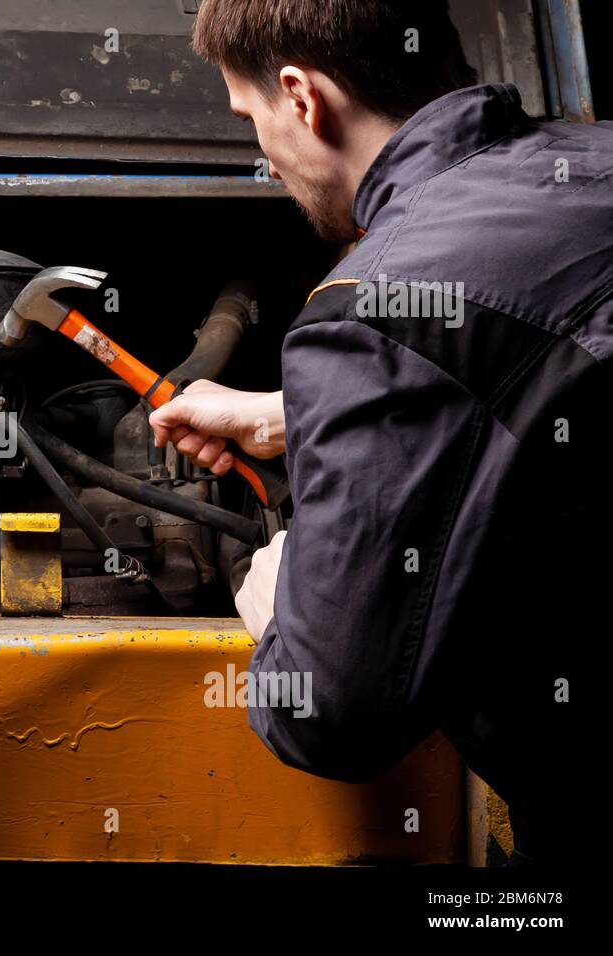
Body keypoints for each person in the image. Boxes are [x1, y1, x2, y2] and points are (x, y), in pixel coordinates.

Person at [149, 0, 609, 865]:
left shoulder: (369, 310)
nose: (263, 153)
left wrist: (283, 604)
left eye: (250, 119)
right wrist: (297, 413)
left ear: (300, 97)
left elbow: (334, 719)